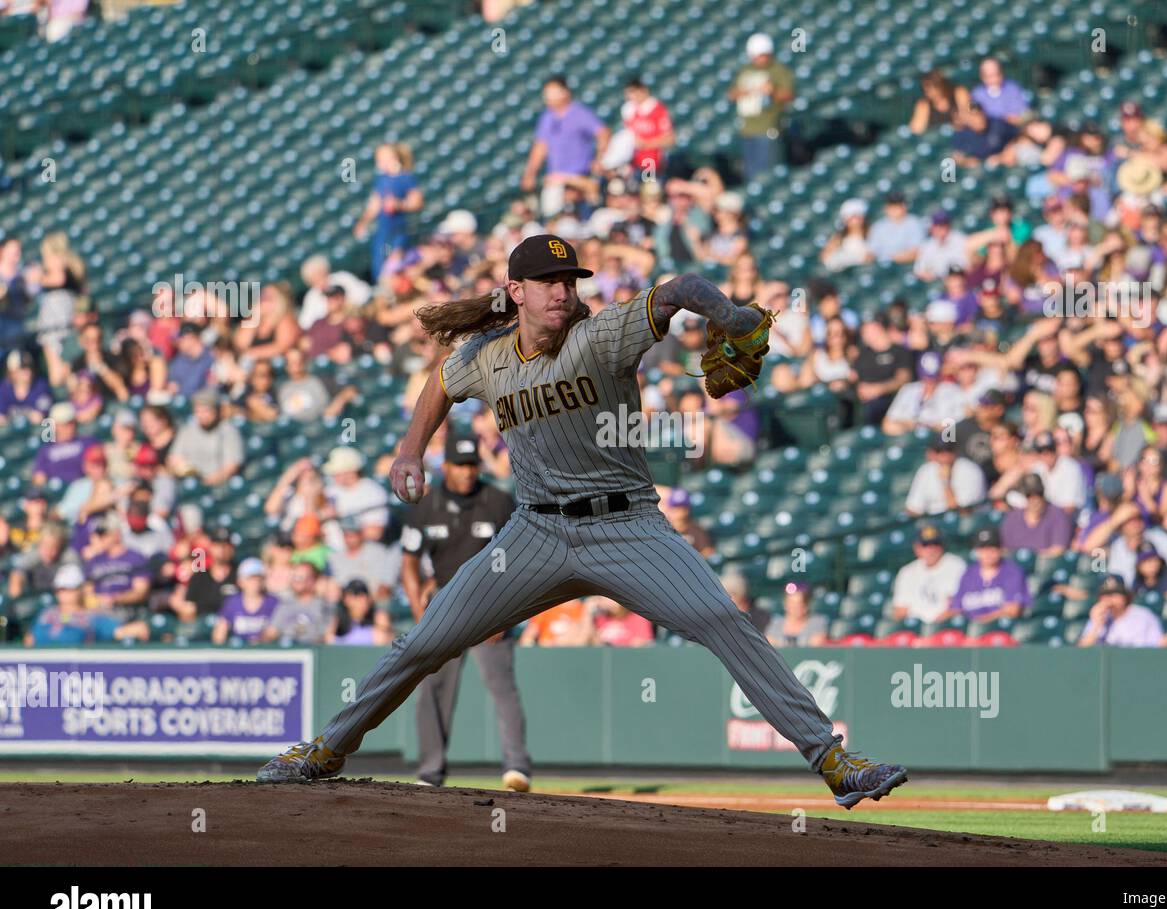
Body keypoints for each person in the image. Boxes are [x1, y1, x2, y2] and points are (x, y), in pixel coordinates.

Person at [257, 234, 907, 808]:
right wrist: (408, 450)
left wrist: (730, 315)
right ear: (515, 291)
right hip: (534, 533)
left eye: (570, 280)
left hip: (628, 528)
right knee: (426, 641)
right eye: (549, 281)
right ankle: (325, 749)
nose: (564, 291)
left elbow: (678, 289)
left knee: (721, 619)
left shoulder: (601, 337)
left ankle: (831, 759)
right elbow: (441, 382)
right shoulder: (487, 358)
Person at [399, 434, 533, 791]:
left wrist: (506, 613)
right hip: (444, 603)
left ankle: (517, 768)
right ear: (445, 467)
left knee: (503, 688)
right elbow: (409, 562)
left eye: (472, 464)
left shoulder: (498, 501)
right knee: (432, 691)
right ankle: (430, 772)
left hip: (491, 602)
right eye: (460, 465)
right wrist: (418, 610)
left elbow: (520, 559)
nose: (467, 471)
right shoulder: (427, 507)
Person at [520, 76, 609, 218]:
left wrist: (599, 158)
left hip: (579, 177)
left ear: (565, 92)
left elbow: (603, 133)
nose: (549, 98)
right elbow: (540, 146)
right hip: (556, 179)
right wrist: (530, 174)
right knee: (552, 216)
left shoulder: (579, 113)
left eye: (553, 93)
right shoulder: (547, 117)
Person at [729, 33, 795, 181]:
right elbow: (732, 94)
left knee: (767, 173)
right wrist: (746, 91)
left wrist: (772, 91)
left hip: (768, 128)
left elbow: (789, 95)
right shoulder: (746, 70)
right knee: (752, 174)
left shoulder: (778, 70)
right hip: (748, 129)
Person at [353, 143, 424, 282]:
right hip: (384, 231)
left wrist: (399, 204)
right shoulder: (381, 179)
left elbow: (417, 202)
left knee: (395, 266)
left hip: (399, 230)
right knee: (380, 268)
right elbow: (375, 204)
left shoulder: (405, 177)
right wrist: (363, 222)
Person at [940, 527, 1030, 622]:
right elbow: (956, 608)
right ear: (976, 551)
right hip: (971, 634)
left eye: (992, 547)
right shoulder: (968, 574)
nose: (988, 553)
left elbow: (1012, 610)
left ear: (1001, 549)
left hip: (1001, 630)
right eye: (983, 548)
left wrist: (979, 623)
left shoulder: (1012, 572)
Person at [889, 524, 967, 624]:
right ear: (917, 548)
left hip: (944, 625)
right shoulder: (907, 572)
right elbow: (899, 610)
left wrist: (932, 627)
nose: (931, 549)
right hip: (915, 628)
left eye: (936, 543)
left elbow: (956, 606)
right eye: (925, 545)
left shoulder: (956, 565)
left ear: (942, 545)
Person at [904, 433, 987, 516]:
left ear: (955, 451)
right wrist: (924, 525)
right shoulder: (926, 470)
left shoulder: (971, 471)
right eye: (938, 451)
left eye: (948, 450)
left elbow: (962, 513)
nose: (943, 455)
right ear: (932, 453)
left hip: (967, 524)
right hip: (934, 523)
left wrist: (945, 482)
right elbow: (913, 508)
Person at [1076, 575, 1164, 647]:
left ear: (1125, 596)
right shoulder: (1098, 617)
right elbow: (1082, 652)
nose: (1110, 599)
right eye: (1105, 594)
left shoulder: (1144, 616)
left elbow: (1157, 648)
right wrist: (1096, 626)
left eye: (1115, 594)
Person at [213, 558, 279, 646]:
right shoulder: (232, 602)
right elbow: (220, 632)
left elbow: (274, 632)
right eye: (250, 578)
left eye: (258, 578)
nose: (255, 582)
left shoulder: (273, 602)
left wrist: (259, 641)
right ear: (240, 581)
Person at [765, 582, 828, 647]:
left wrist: (780, 642)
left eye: (798, 604)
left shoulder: (817, 621)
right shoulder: (776, 622)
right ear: (785, 604)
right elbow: (769, 643)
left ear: (806, 606)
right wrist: (805, 641)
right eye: (791, 603)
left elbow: (817, 643)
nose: (794, 607)